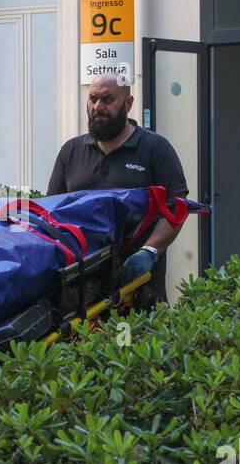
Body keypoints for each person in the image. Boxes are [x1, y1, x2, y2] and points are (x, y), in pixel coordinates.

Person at [47, 73, 189, 302]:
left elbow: (176, 206)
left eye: (107, 99)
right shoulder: (70, 152)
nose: (98, 106)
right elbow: (52, 212)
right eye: (92, 98)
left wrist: (149, 251)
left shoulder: (155, 148)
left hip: (139, 287)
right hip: (80, 295)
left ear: (128, 103)